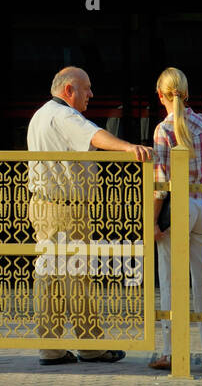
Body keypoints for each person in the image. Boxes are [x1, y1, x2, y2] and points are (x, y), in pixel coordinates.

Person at [27, 66, 152, 366]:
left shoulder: (40, 115)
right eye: (87, 88)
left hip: (43, 205)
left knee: (50, 276)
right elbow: (95, 136)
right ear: (69, 90)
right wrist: (128, 147)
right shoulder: (65, 115)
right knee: (77, 276)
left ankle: (51, 347)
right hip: (66, 209)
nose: (91, 95)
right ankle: (90, 344)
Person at [149, 64, 202, 372]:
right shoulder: (199, 121)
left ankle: (171, 353)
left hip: (179, 210)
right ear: (185, 93)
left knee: (171, 281)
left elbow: (160, 184)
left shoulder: (164, 130)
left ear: (161, 95)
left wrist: (152, 221)